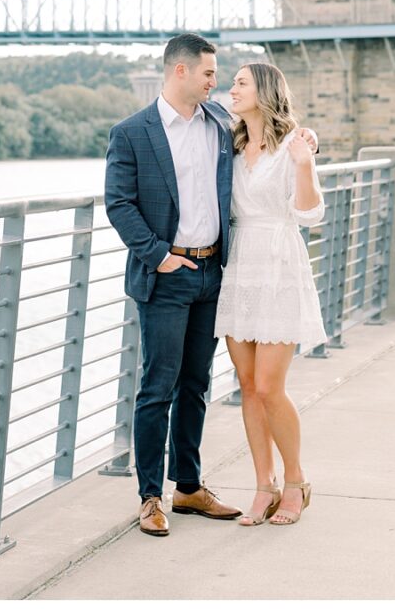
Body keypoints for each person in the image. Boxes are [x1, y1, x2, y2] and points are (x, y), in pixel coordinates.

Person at [103, 34, 317, 539]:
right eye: (209, 74)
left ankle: (189, 486)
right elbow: (119, 203)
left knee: (196, 386)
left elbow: (277, 143)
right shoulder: (132, 132)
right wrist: (160, 256)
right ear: (180, 71)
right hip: (167, 273)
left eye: (224, 77)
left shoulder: (222, 125)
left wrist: (306, 146)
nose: (216, 83)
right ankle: (150, 496)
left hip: (218, 273)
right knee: (158, 386)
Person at [215, 62, 328, 527]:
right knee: (246, 385)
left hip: (279, 266)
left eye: (240, 83)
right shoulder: (229, 144)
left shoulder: (293, 145)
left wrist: (304, 163)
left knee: (268, 387)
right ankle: (264, 485)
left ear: (263, 90)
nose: (231, 89)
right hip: (240, 267)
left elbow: (311, 214)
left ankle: (296, 480)